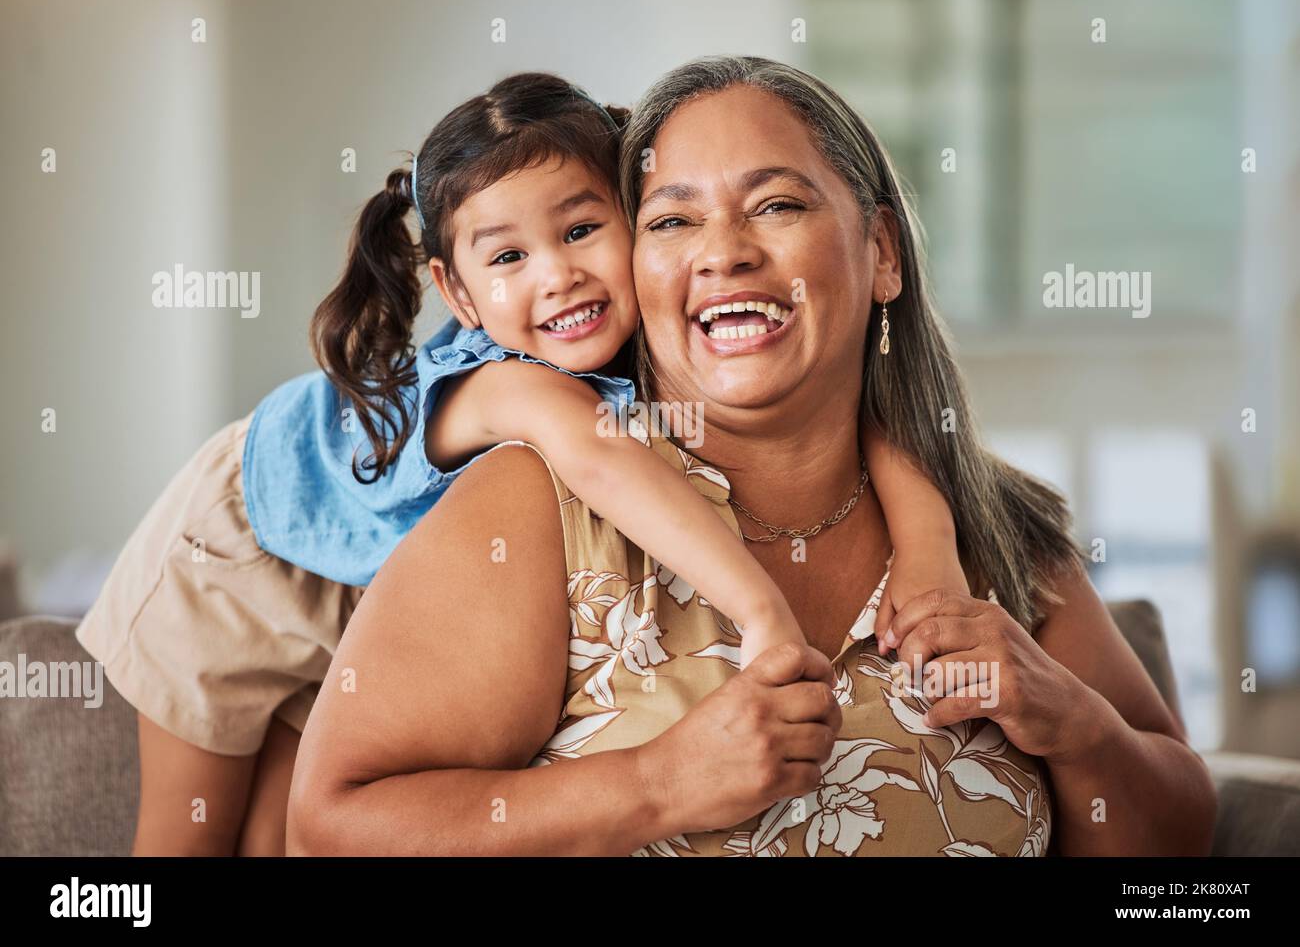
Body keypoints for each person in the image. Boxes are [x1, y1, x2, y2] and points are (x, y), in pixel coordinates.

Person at [287, 56, 1216, 857]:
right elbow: (331, 829)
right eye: (672, 221)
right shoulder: (541, 499)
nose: (723, 253)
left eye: (774, 204)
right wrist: (655, 784)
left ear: (882, 250)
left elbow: (1181, 843)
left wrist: (1072, 720)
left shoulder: (990, 529)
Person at [77, 71, 964, 856]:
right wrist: (763, 614)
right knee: (184, 840)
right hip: (235, 550)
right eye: (508, 257)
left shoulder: (643, 352)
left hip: (361, 571)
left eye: (582, 229)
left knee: (276, 836)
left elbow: (875, 427)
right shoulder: (514, 387)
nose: (558, 276)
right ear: (458, 292)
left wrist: (929, 554)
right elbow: (608, 466)